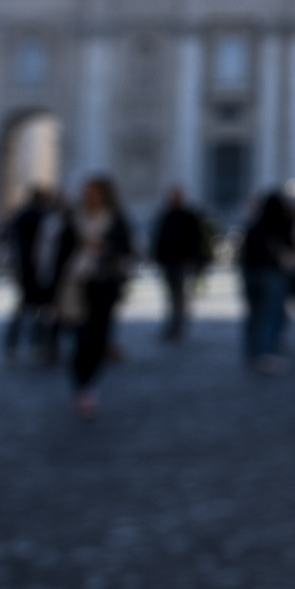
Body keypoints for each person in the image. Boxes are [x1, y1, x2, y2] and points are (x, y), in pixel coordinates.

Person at [47, 175, 137, 418]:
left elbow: (127, 251)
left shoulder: (116, 220)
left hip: (103, 285)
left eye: (94, 192)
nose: (89, 196)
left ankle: (89, 384)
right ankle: (81, 385)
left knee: (99, 340)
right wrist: (51, 291)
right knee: (81, 338)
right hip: (73, 285)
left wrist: (105, 250)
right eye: (86, 192)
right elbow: (58, 255)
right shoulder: (70, 219)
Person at [238, 187, 295, 374]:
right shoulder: (281, 226)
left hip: (252, 274)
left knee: (255, 315)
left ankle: (254, 352)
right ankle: (264, 353)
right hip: (272, 274)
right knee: (270, 315)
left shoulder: (255, 226)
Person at [3, 184, 62, 364]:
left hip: (30, 271)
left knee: (28, 310)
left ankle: (15, 344)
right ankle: (34, 344)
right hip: (37, 272)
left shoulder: (25, 217)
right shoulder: (44, 218)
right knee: (39, 311)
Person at [149, 186, 211, 342]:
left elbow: (196, 240)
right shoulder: (167, 216)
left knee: (179, 295)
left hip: (182, 262)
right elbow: (160, 239)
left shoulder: (186, 217)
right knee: (172, 295)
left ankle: (177, 325)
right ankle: (174, 324)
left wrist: (195, 260)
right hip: (170, 261)